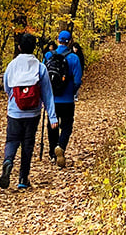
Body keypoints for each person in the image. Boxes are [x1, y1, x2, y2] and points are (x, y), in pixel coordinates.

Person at [0, 33, 58, 190]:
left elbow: (6, 87)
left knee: (12, 140)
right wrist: (52, 117)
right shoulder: (40, 67)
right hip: (33, 113)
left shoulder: (12, 65)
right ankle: (23, 179)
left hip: (14, 111)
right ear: (34, 48)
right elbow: (47, 94)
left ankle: (8, 161)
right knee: (28, 144)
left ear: (19, 47)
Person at [44, 30, 82, 168]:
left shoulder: (48, 55)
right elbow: (77, 80)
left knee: (52, 125)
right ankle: (61, 146)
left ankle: (52, 154)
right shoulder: (74, 58)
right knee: (67, 125)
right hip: (67, 100)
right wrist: (72, 91)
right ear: (70, 41)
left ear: (57, 39)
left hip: (51, 99)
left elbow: (43, 77)